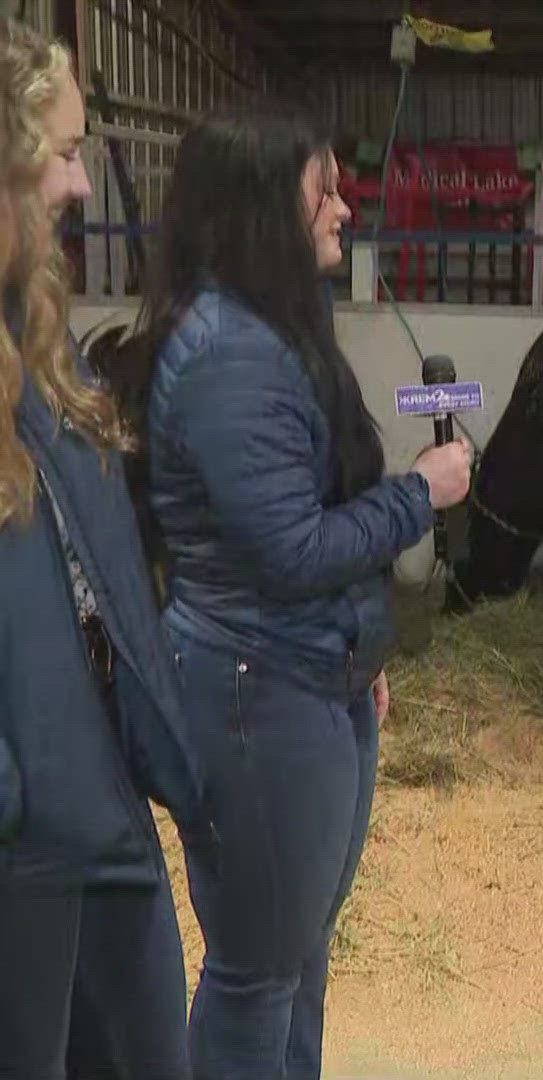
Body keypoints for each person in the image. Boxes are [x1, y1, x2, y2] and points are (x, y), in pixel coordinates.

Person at [88, 108, 472, 1079]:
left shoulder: (270, 331)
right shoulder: (228, 358)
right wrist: (420, 495)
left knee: (299, 957)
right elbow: (293, 551)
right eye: (324, 193)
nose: (347, 209)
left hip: (309, 675)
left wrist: (356, 656)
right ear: (263, 212)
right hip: (258, 692)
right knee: (259, 972)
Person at [0, 16, 204, 1079]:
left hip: (100, 817)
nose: (84, 187)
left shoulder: (41, 347)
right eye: (66, 156)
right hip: (27, 847)